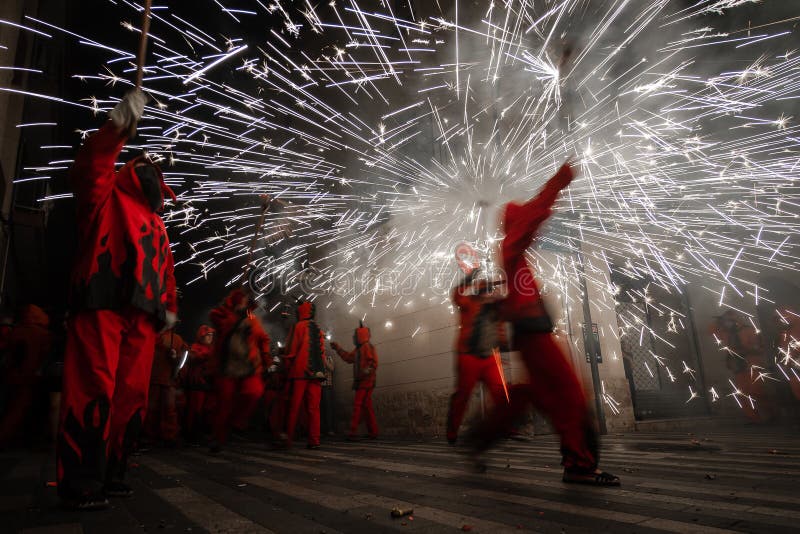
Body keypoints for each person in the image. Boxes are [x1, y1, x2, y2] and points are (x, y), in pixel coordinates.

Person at [57, 89, 179, 509]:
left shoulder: (159, 226)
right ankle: (81, 479)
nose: (149, 169)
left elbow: (166, 272)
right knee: (94, 387)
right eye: (142, 163)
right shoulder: (105, 194)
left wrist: (170, 308)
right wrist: (117, 129)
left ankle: (113, 472)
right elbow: (90, 165)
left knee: (131, 396)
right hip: (101, 301)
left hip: (143, 317)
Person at [470, 160, 619, 486]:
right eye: (522, 218)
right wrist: (557, 183)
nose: (535, 226)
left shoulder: (514, 255)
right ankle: (580, 465)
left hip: (531, 335)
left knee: (540, 396)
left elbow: (530, 222)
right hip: (533, 337)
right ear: (515, 222)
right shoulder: (511, 246)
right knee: (572, 398)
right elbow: (533, 215)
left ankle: (480, 437)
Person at [446, 272, 509, 445]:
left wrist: (503, 345)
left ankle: (507, 428)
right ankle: (452, 432)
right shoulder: (468, 303)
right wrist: (467, 280)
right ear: (481, 293)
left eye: (492, 291)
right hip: (468, 356)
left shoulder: (497, 309)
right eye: (488, 291)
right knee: (463, 396)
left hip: (490, 358)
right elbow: (457, 295)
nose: (491, 294)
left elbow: (500, 328)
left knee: (500, 393)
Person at [209, 288, 270, 453]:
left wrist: (265, 357)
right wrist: (230, 309)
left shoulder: (252, 318)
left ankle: (237, 422)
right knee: (224, 403)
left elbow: (263, 337)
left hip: (248, 365)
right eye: (240, 301)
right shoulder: (224, 316)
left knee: (254, 392)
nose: (243, 304)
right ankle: (218, 439)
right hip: (227, 366)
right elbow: (215, 317)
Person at [0, 305, 52, 448]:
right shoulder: (43, 334)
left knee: (11, 408)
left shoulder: (16, 330)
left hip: (12, 374)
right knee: (21, 411)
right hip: (30, 377)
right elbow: (45, 357)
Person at [710, 310, 771, 421]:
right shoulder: (727, 333)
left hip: (752, 365)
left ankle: (769, 415)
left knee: (757, 391)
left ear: (735, 320)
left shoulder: (749, 330)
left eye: (728, 321)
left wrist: (746, 350)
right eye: (725, 321)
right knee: (742, 394)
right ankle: (753, 418)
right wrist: (718, 322)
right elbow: (712, 331)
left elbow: (761, 348)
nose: (726, 323)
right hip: (738, 367)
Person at [282, 301, 326, 449]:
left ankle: (287, 439)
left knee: (294, 407)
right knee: (314, 409)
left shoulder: (298, 327)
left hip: (300, 372)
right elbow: (322, 354)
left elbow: (291, 351)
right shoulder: (318, 328)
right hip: (317, 374)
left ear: (300, 312)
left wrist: (285, 364)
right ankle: (314, 441)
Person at [331, 322, 378, 441]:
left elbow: (373, 364)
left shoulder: (365, 347)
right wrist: (338, 348)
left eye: (355, 335)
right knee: (367, 407)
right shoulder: (361, 348)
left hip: (364, 382)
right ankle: (373, 432)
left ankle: (353, 433)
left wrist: (364, 373)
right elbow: (348, 358)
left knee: (357, 407)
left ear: (360, 336)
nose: (354, 338)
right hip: (366, 382)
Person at [144, 329, 188, 446]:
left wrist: (175, 358)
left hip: (167, 380)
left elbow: (184, 359)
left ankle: (168, 436)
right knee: (153, 410)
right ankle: (151, 436)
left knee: (168, 410)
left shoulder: (176, 339)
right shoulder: (154, 335)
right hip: (155, 379)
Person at [183, 325, 215, 443]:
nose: (210, 337)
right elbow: (195, 357)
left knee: (207, 410)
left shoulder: (212, 349)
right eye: (208, 335)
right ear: (202, 336)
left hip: (208, 384)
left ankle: (203, 433)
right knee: (195, 410)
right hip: (197, 384)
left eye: (211, 335)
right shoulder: (195, 347)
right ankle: (192, 435)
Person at [319, 351, 336, 437]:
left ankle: (330, 429)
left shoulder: (329, 358)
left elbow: (332, 368)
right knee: (320, 408)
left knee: (328, 408)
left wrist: (324, 360)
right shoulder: (317, 359)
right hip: (319, 386)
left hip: (328, 386)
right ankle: (321, 429)